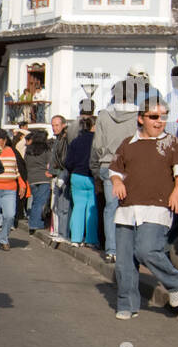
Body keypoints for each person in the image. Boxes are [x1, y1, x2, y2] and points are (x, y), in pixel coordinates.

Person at [109, 99, 178, 319]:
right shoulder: (128, 143)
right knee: (124, 262)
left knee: (146, 250)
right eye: (154, 116)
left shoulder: (172, 143)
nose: (159, 121)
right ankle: (127, 304)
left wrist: (177, 192)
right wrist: (117, 183)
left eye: (163, 116)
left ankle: (174, 283)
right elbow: (115, 170)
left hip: (158, 207)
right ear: (141, 118)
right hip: (128, 209)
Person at [92, 84, 141, 263]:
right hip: (131, 165)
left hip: (108, 163)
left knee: (111, 208)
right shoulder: (139, 115)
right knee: (132, 208)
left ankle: (111, 250)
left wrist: (106, 155)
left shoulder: (103, 115)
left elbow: (97, 145)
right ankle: (130, 249)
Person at [64, 114, 98, 247]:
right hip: (91, 177)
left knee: (78, 207)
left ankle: (76, 238)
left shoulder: (76, 140)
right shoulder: (97, 141)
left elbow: (68, 162)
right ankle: (91, 239)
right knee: (92, 209)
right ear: (94, 126)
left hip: (77, 176)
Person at [0, 131, 22, 251]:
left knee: (10, 215)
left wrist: (22, 185)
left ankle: (4, 238)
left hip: (10, 190)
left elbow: (19, 170)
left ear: (4, 140)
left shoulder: (13, 152)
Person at [24, 129, 52, 232]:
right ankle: (35, 223)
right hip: (44, 177)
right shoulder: (46, 150)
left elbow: (25, 163)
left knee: (36, 200)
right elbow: (50, 164)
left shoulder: (28, 150)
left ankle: (33, 221)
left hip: (32, 178)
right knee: (41, 201)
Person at [49, 114, 72, 238]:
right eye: (52, 125)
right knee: (57, 206)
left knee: (64, 206)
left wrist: (58, 170)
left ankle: (63, 233)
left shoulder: (64, 139)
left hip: (63, 173)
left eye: (57, 125)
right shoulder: (57, 139)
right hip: (58, 173)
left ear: (63, 125)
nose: (54, 128)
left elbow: (64, 158)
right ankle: (60, 231)